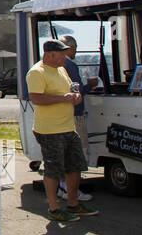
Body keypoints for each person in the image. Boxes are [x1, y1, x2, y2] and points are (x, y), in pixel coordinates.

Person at [27, 39, 96, 222]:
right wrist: (63, 99)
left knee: (75, 165)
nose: (66, 57)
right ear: (50, 55)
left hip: (68, 126)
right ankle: (54, 208)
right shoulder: (37, 72)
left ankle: (73, 204)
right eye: (62, 54)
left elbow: (72, 91)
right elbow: (36, 99)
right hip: (49, 130)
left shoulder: (62, 69)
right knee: (53, 169)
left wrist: (76, 97)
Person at [59, 36, 96, 202]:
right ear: (69, 48)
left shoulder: (56, 66)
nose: (76, 51)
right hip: (75, 114)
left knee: (65, 154)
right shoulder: (70, 65)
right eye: (75, 48)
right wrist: (90, 85)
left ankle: (63, 187)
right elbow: (77, 90)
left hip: (63, 114)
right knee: (77, 153)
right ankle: (72, 191)